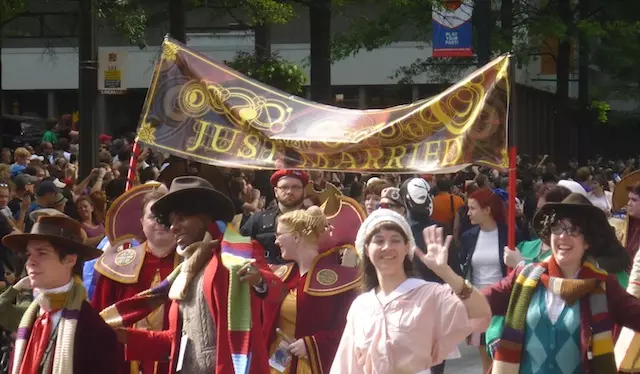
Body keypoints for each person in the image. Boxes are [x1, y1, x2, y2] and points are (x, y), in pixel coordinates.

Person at [101, 176, 283, 374]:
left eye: (181, 218)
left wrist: (259, 281)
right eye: (171, 221)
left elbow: (277, 290)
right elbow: (175, 343)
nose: (173, 227)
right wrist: (123, 336)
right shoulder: (183, 273)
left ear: (205, 218)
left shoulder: (235, 253)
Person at [483, 193, 640, 374]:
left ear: (587, 241)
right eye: (557, 228)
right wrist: (450, 279)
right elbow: (480, 303)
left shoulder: (603, 286)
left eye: (573, 230)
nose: (563, 236)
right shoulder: (524, 277)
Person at [330, 209, 491, 373]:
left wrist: (445, 272)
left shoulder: (428, 295)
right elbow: (346, 366)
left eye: (395, 240)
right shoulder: (361, 307)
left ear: (407, 247)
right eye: (379, 241)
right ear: (366, 248)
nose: (387, 247)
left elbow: (480, 314)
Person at [0, 215, 122, 373]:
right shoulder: (32, 316)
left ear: (70, 260)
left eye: (42, 253)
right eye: (29, 254)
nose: (30, 262)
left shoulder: (94, 330)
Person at [92, 186, 178, 374]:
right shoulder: (117, 265)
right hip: (123, 362)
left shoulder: (192, 264)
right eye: (153, 216)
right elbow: (99, 318)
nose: (160, 222)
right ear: (141, 222)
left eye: (166, 216)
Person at [263, 207, 360, 373]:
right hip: (277, 363)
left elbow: (350, 328)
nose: (276, 242)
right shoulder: (283, 275)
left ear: (296, 236)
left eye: (279, 235)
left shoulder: (340, 281)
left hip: (313, 366)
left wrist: (312, 344)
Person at [459, 187, 523, 373]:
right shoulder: (468, 237)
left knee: (504, 359)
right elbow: (465, 270)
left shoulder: (510, 234)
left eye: (472, 208)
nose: (468, 213)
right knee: (486, 361)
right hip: (479, 304)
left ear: (487, 210)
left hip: (505, 305)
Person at [241, 169, 309, 264]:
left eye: (296, 187)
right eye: (284, 187)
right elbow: (239, 249)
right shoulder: (258, 220)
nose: (289, 191)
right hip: (264, 276)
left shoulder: (315, 220)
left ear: (304, 191)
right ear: (276, 192)